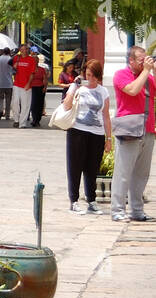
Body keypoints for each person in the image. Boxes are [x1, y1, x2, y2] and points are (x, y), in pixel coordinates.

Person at [110, 46, 156, 223]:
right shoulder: (121, 74)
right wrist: (146, 71)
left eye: (145, 59)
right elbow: (132, 90)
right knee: (123, 171)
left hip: (147, 128)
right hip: (129, 129)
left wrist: (153, 70)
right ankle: (117, 210)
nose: (144, 62)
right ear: (130, 61)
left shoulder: (148, 77)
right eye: (140, 60)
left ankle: (137, 210)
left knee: (142, 173)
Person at [62, 59, 111, 214]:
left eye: (93, 76)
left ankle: (91, 200)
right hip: (78, 130)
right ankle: (74, 201)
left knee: (92, 168)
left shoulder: (103, 91)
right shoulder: (79, 88)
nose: (90, 79)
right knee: (75, 166)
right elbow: (66, 105)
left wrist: (108, 138)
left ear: (99, 76)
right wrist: (74, 86)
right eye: (88, 75)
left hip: (96, 133)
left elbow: (106, 116)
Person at [10, 43, 37, 128]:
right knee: (15, 102)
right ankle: (16, 120)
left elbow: (32, 73)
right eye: (21, 50)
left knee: (25, 105)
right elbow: (11, 68)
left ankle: (22, 123)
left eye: (25, 49)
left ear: (27, 50)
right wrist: (14, 66)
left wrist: (28, 84)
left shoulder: (31, 60)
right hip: (17, 84)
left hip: (26, 85)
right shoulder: (16, 58)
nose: (23, 51)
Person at [29, 53, 49, 127]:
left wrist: (45, 87)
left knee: (40, 104)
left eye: (36, 60)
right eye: (34, 60)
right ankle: (34, 119)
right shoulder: (29, 69)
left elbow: (45, 79)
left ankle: (38, 120)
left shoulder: (42, 69)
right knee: (34, 104)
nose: (35, 61)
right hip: (32, 88)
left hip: (40, 87)